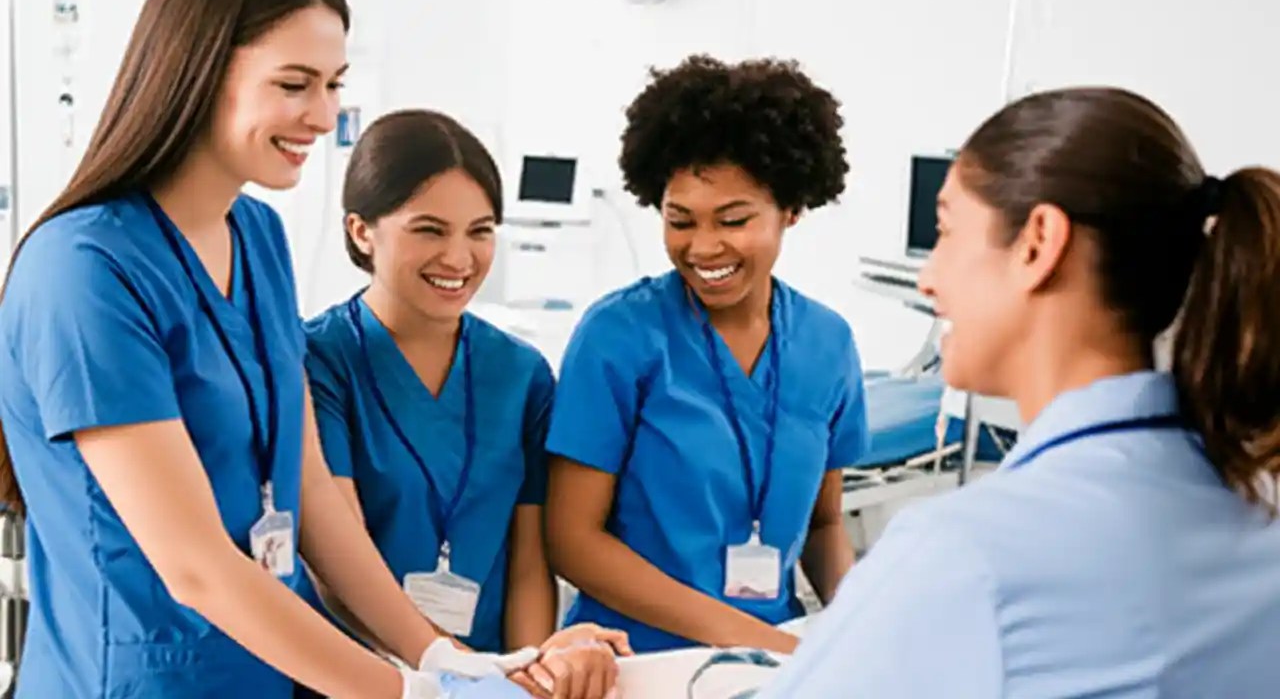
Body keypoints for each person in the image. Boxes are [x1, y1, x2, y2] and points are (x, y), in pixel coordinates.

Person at [0, 0, 548, 696]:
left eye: (333, 85)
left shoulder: (258, 237)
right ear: (198, 69)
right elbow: (193, 564)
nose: (324, 116)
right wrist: (403, 694)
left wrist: (436, 654)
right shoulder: (85, 270)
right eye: (295, 84)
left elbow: (310, 489)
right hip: (133, 681)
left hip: (265, 677)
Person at [760, 87, 1280, 697]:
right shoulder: (1259, 512)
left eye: (946, 231)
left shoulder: (964, 556)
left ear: (1038, 244)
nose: (927, 278)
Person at [544, 55, 869, 654]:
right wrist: (756, 641)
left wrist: (856, 628)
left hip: (772, 663)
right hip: (631, 657)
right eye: (680, 221)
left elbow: (824, 523)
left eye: (734, 220)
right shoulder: (620, 336)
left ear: (791, 209)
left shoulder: (828, 343)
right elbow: (571, 540)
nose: (703, 247)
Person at [301, 109, 629, 699]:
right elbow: (333, 562)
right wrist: (442, 675)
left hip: (492, 677)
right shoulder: (321, 362)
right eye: (429, 229)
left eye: (480, 231)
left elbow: (531, 562)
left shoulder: (522, 374)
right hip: (364, 675)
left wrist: (524, 672)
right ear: (360, 231)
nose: (459, 257)